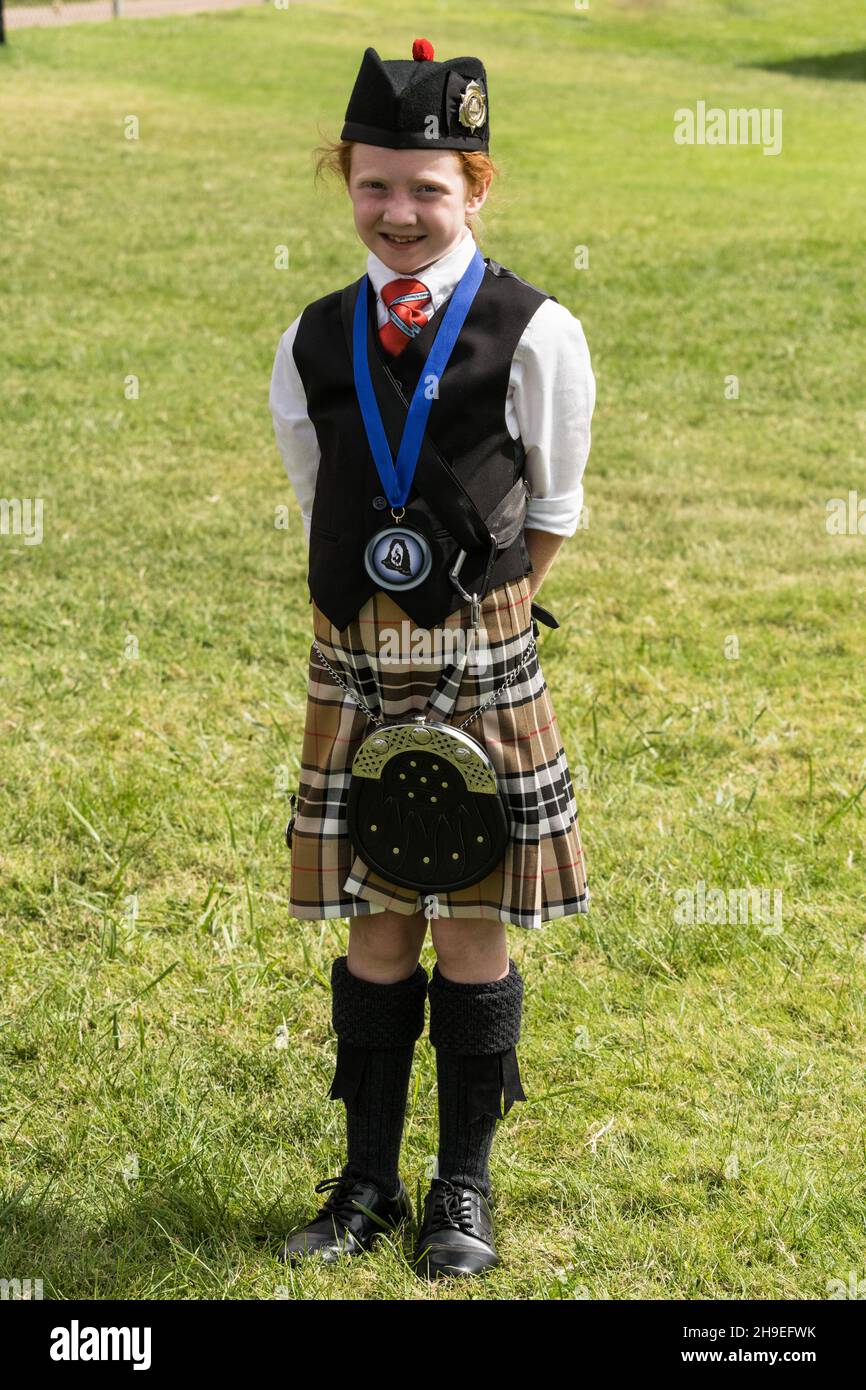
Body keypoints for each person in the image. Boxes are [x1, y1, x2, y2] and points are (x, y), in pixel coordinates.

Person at [268, 37, 596, 1280]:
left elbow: (552, 508)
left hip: (481, 658)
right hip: (352, 663)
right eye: (373, 186)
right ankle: (362, 1180)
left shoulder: (533, 328)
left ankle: (460, 1187)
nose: (399, 213)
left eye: (428, 189)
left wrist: (469, 632)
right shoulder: (310, 340)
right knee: (369, 926)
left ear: (477, 187)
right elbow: (315, 500)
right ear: (344, 181)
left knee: (470, 927)